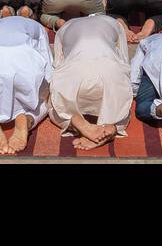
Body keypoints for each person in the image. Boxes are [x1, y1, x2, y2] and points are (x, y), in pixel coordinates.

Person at [48, 16, 133, 150]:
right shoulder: (115, 24)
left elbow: (57, 64)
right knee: (124, 105)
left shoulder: (65, 27)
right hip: (108, 78)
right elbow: (124, 60)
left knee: (54, 104)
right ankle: (113, 126)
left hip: (76, 79)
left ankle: (73, 121)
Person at [0, 16, 52, 154]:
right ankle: (27, 120)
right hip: (24, 65)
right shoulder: (38, 27)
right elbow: (47, 65)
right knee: (46, 101)